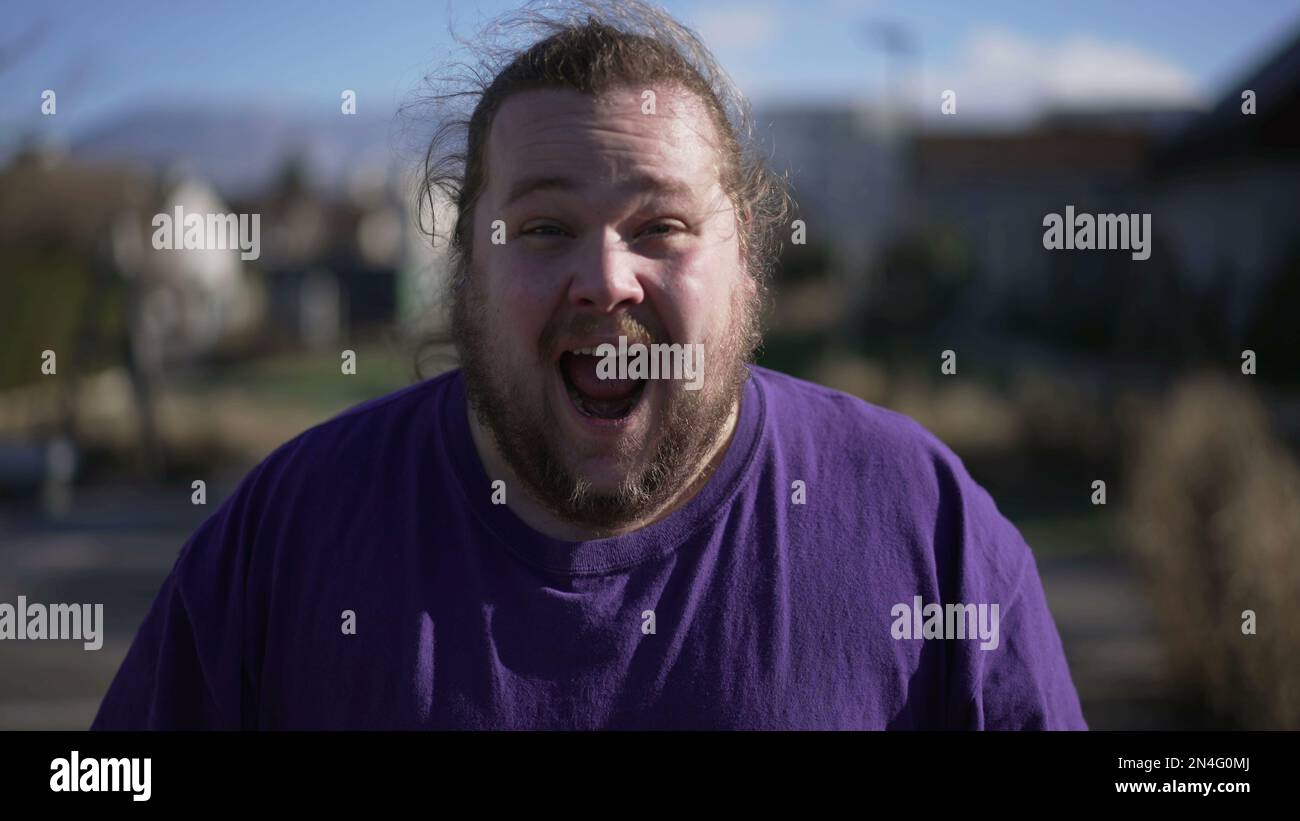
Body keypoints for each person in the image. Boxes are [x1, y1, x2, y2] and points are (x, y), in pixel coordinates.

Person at [92, 0, 1086, 730]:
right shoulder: (284, 538)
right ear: (466, 268)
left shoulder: (928, 529)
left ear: (746, 259)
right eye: (544, 225)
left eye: (659, 224)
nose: (604, 277)